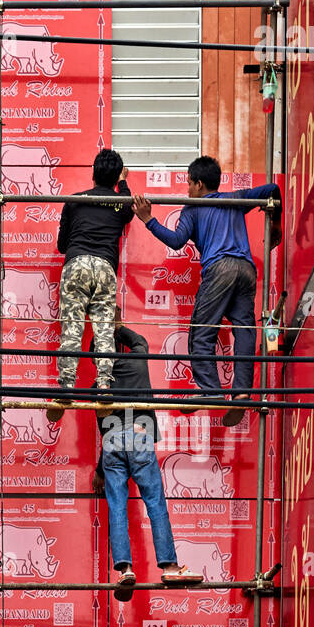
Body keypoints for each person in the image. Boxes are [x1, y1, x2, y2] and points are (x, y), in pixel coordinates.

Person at [132, 156, 282, 427]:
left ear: (199, 184)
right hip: (246, 270)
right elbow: (272, 190)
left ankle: (211, 390)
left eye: (189, 183)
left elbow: (177, 241)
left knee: (202, 332)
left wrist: (148, 219)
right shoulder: (235, 199)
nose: (188, 189)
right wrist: (277, 226)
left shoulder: (193, 207)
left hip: (220, 269)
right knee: (245, 331)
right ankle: (242, 392)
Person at [94, 312, 204, 602]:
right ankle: (169, 566)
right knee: (154, 502)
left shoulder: (99, 386)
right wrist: (116, 326)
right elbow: (137, 339)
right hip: (138, 433)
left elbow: (102, 432)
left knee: (117, 507)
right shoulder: (138, 358)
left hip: (112, 441)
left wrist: (99, 471)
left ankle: (125, 570)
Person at [47, 148, 132, 421]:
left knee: (72, 329)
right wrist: (124, 182)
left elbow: (62, 246)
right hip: (105, 268)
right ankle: (105, 386)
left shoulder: (74, 201)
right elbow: (128, 207)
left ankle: (66, 387)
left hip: (76, 265)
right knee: (105, 330)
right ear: (116, 176)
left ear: (93, 173)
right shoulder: (122, 203)